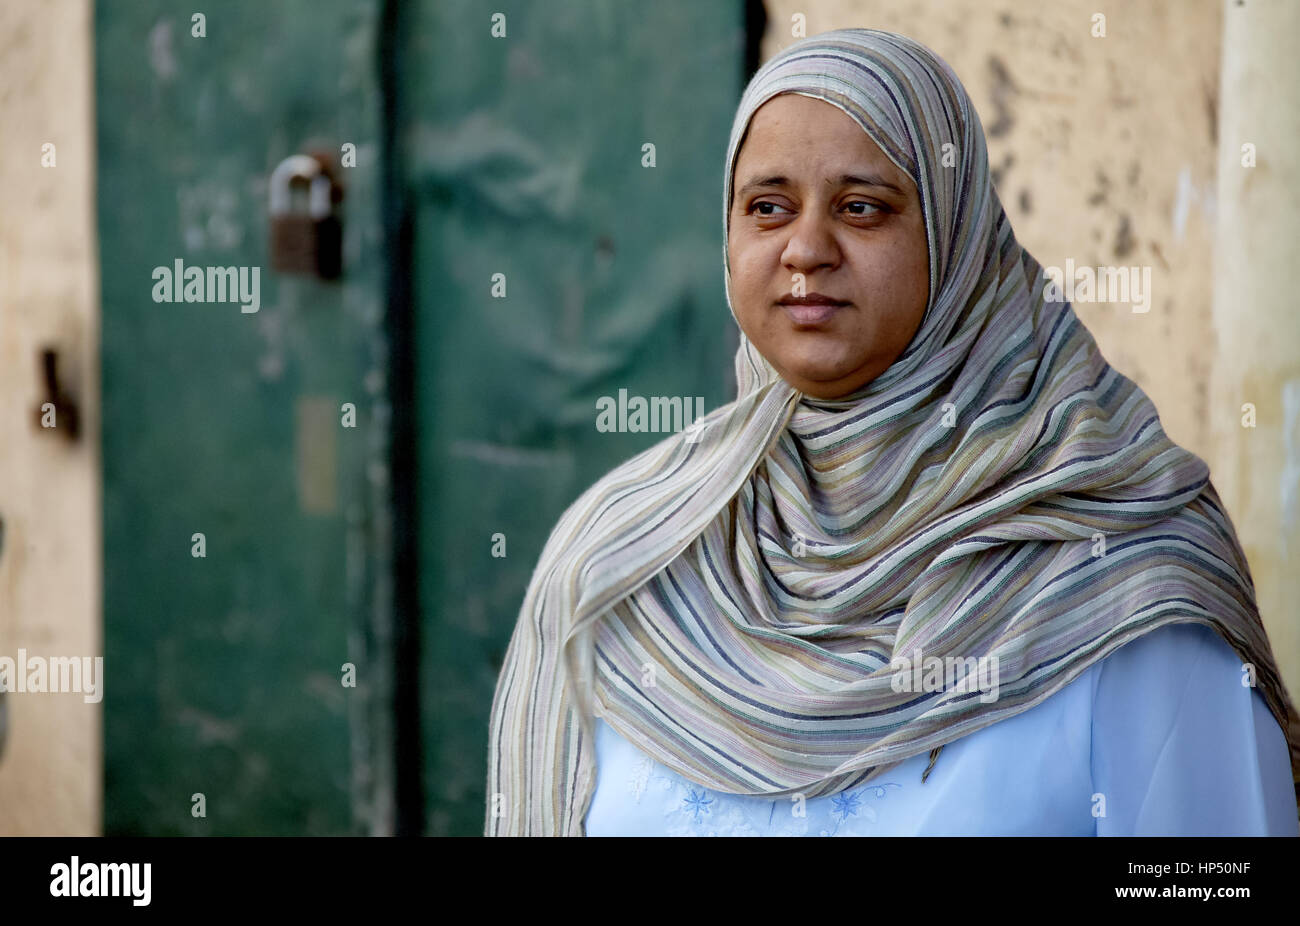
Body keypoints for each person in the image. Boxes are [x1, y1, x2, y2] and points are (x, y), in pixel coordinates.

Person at [485, 27, 1300, 837]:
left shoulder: (1118, 561)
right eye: (767, 207)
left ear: (955, 239)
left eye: (862, 208)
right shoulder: (627, 557)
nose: (806, 249)